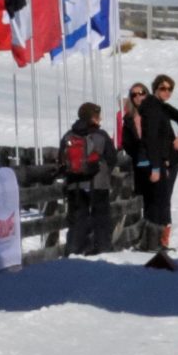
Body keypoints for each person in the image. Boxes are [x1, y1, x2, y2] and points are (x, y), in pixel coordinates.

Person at [136, 75, 178, 268]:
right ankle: (155, 242)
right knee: (159, 201)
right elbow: (151, 140)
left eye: (169, 89)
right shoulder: (151, 107)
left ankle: (158, 242)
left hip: (169, 160)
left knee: (162, 199)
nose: (166, 92)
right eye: (163, 88)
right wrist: (157, 166)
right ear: (155, 89)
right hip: (159, 162)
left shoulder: (161, 106)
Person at [59, 102, 119, 257]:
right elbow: (112, 157)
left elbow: (61, 159)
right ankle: (103, 249)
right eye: (98, 116)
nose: (100, 119)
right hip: (98, 184)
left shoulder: (68, 135)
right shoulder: (101, 135)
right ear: (92, 117)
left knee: (77, 218)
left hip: (75, 184)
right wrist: (106, 172)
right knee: (101, 217)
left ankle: (74, 249)